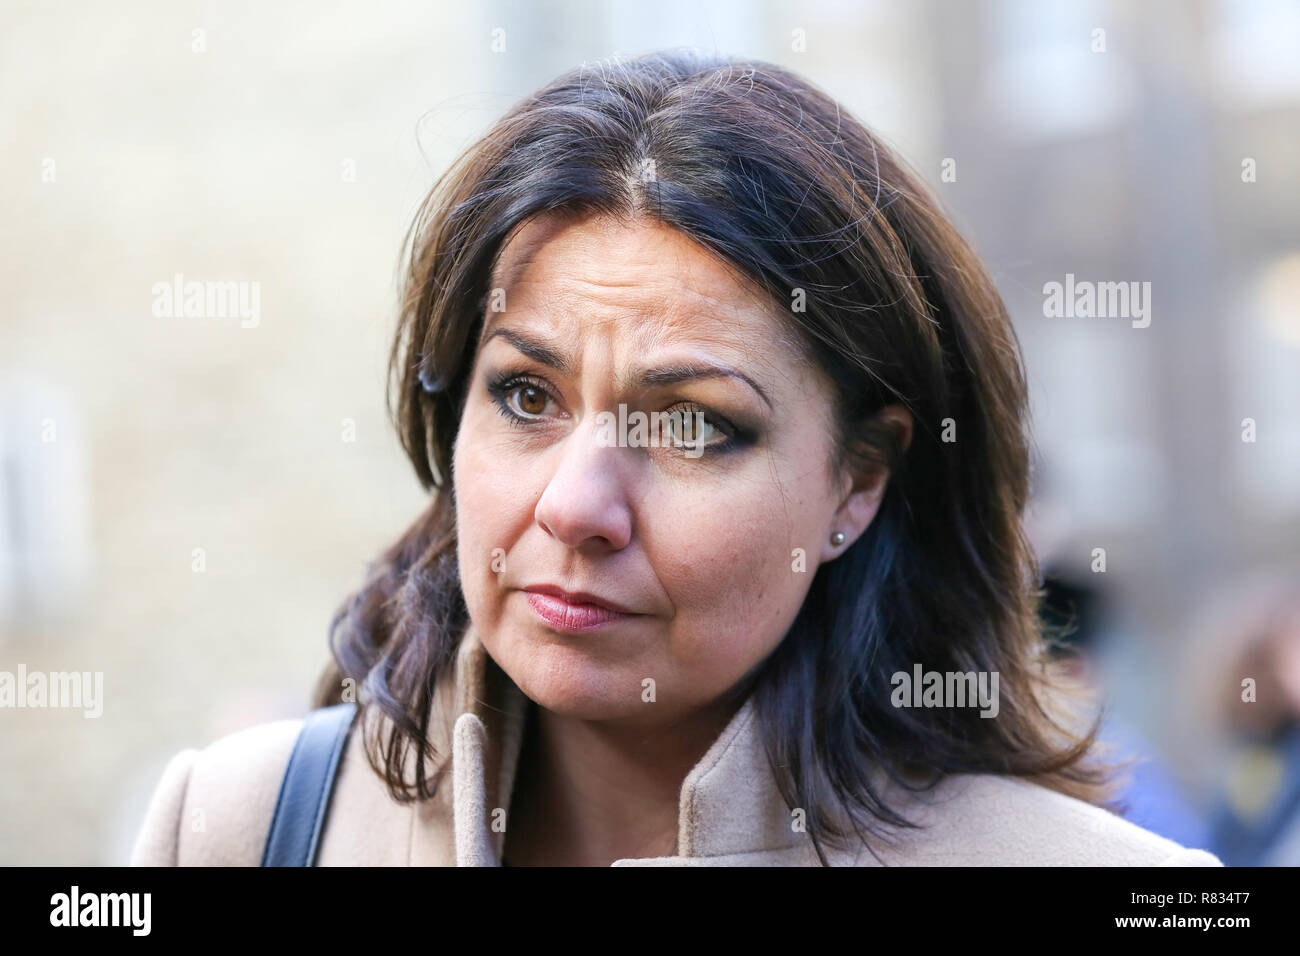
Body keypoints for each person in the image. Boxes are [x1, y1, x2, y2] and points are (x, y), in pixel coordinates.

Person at [129, 50, 1221, 866]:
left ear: (858, 476)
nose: (577, 504)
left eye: (694, 423)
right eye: (524, 394)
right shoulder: (241, 826)